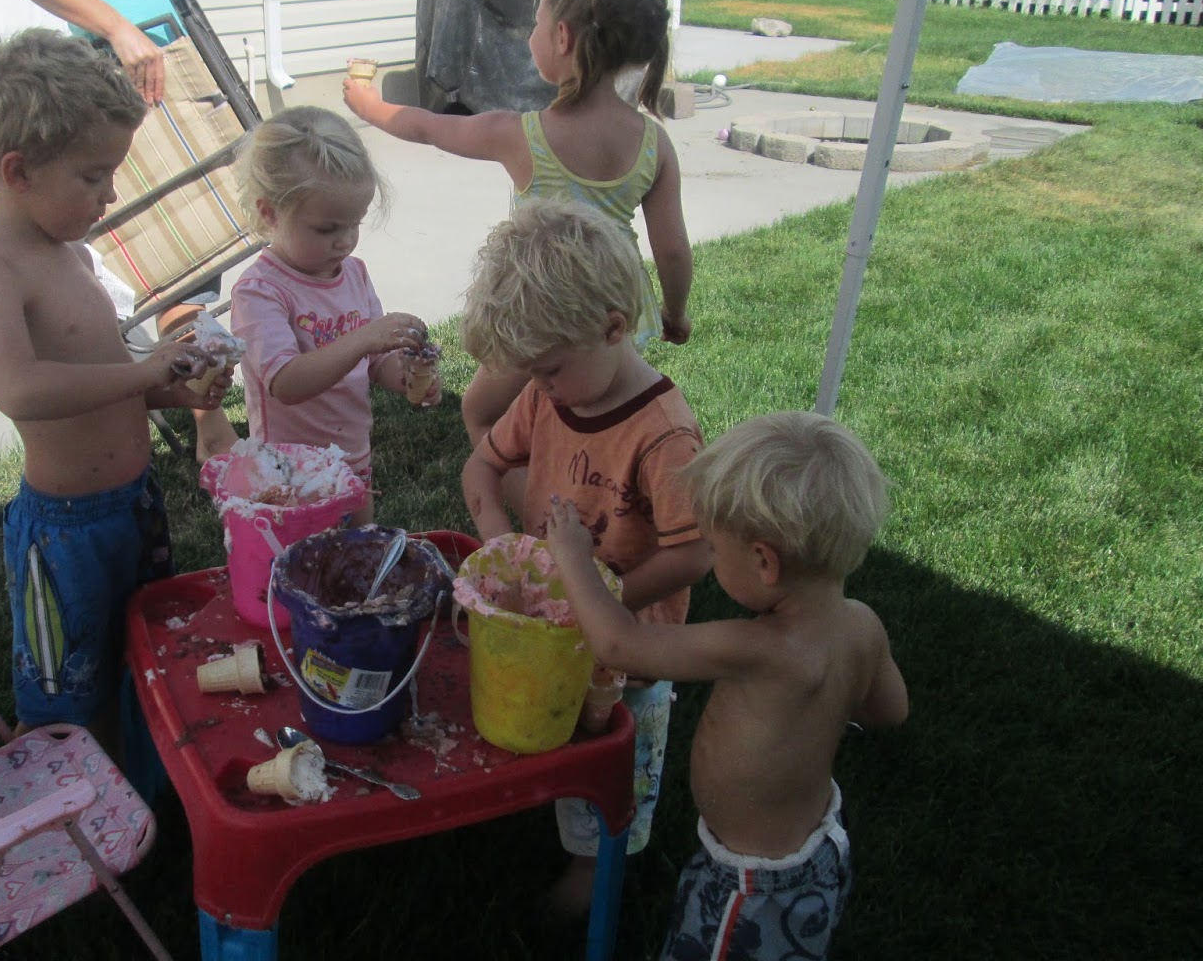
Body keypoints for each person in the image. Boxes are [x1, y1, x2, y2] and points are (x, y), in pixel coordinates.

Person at [0, 29, 232, 799]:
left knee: (140, 660)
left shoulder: (76, 257)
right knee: (65, 688)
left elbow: (110, 378)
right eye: (93, 176)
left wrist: (173, 389)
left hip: (131, 508)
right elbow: (17, 388)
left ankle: (134, 794)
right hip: (66, 530)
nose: (109, 196)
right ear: (18, 171)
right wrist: (142, 370)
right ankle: (65, 811)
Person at [546, 410, 910, 960]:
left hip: (750, 884)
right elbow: (891, 710)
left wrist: (573, 558)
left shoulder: (754, 647)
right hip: (819, 851)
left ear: (764, 561)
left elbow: (618, 644)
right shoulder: (862, 624)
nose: (712, 559)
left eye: (715, 550)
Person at [458, 199, 711, 914]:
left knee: (619, 758)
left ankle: (594, 865)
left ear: (612, 328)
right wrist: (497, 545)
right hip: (557, 624)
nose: (538, 386)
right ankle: (557, 817)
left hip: (631, 648)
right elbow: (482, 468)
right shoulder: (549, 399)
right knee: (550, 724)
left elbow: (693, 556)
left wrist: (597, 602)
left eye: (550, 370)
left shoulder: (663, 434)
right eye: (531, 373)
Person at [0, 0, 245, 462]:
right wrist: (116, 28)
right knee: (180, 253)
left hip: (172, 47)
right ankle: (201, 422)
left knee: (206, 249)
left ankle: (194, 405)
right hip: (131, 64)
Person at [345, 0, 694, 450]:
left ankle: (531, 498)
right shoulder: (654, 143)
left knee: (481, 410)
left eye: (536, 23)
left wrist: (367, 105)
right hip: (614, 311)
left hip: (540, 304)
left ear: (563, 38)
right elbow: (673, 250)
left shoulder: (522, 135)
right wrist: (676, 313)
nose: (531, 35)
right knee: (595, 414)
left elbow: (427, 127)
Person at [230, 106, 438, 519]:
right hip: (290, 471)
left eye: (354, 224)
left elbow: (376, 362)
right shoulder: (260, 291)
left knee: (357, 552)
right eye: (327, 229)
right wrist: (362, 338)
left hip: (352, 456)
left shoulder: (354, 274)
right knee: (304, 567)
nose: (344, 242)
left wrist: (409, 375)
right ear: (270, 212)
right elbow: (286, 382)